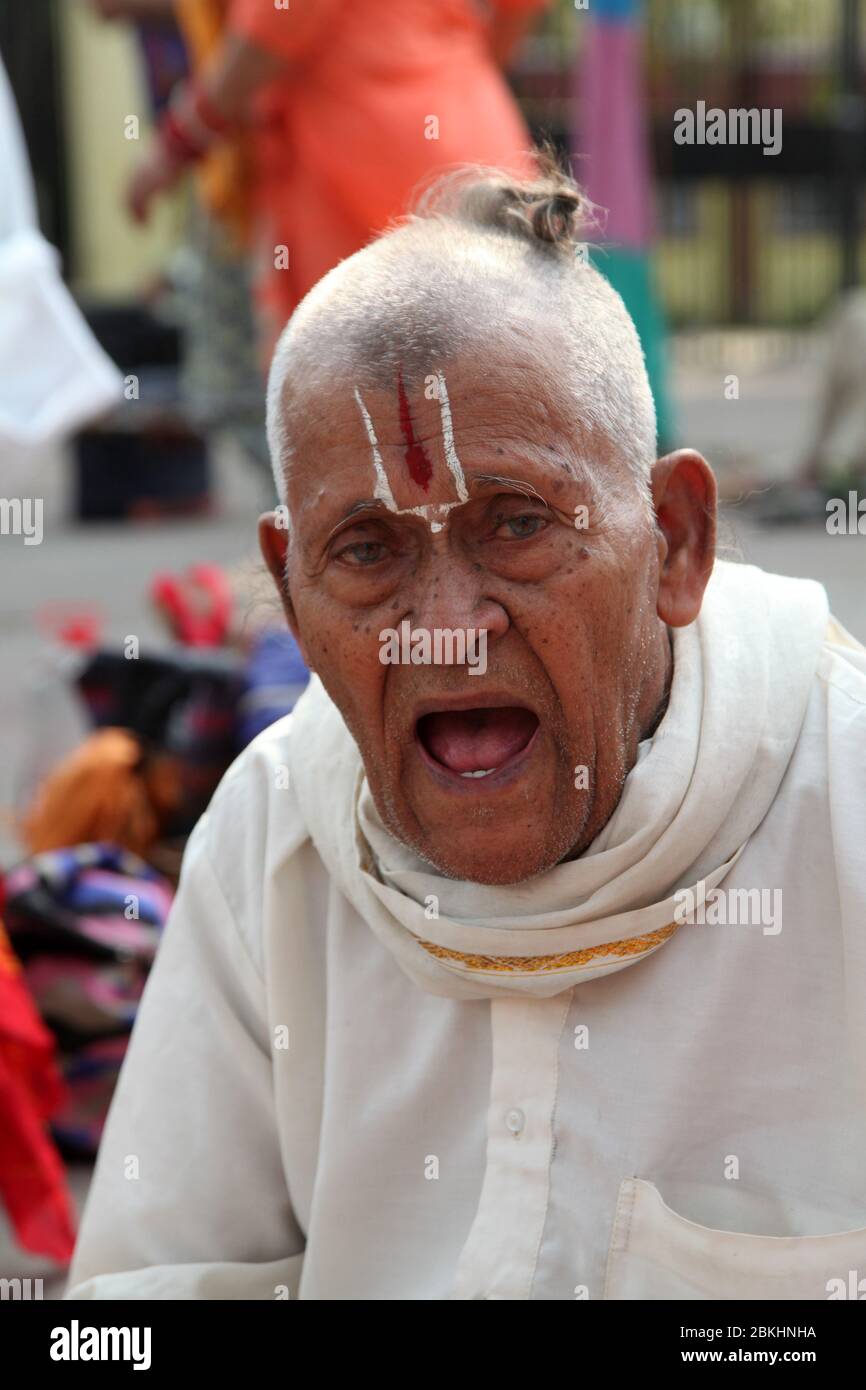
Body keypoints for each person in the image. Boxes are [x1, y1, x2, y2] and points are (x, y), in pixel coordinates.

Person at [66, 160, 866, 1302]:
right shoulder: (270, 833)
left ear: (675, 543)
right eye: (368, 550)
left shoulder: (844, 802)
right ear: (290, 597)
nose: (443, 631)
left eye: (516, 524)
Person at [125, 0, 549, 356]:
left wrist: (174, 146)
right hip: (475, 138)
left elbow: (269, 34)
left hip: (370, 172)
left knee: (360, 408)